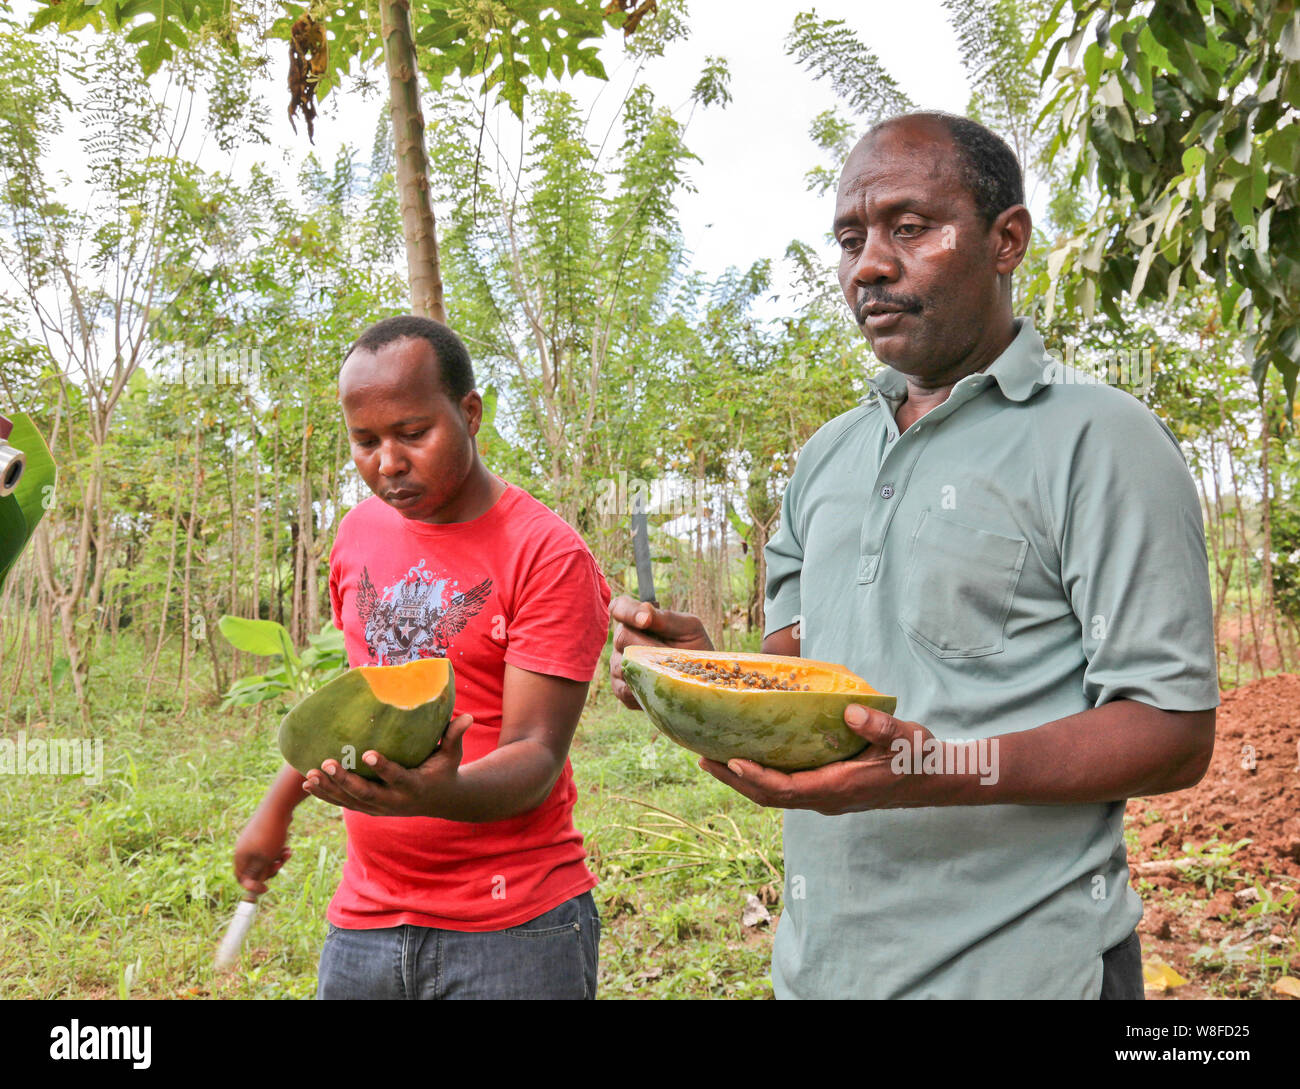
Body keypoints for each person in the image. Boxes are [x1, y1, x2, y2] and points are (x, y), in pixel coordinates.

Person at [610, 112, 1218, 999]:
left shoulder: (1102, 441)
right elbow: (806, 671)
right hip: (820, 971)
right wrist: (707, 676)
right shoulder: (826, 458)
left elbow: (1172, 733)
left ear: (1007, 240)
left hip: (1024, 974)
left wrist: (938, 770)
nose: (869, 265)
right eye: (851, 238)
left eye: (910, 227)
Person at [235, 315, 611, 999]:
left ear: (469, 413)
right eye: (366, 440)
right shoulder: (358, 534)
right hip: (366, 921)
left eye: (412, 433)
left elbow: (536, 751)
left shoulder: (547, 554)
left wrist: (441, 793)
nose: (388, 461)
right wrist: (278, 805)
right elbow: (357, 705)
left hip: (515, 928)